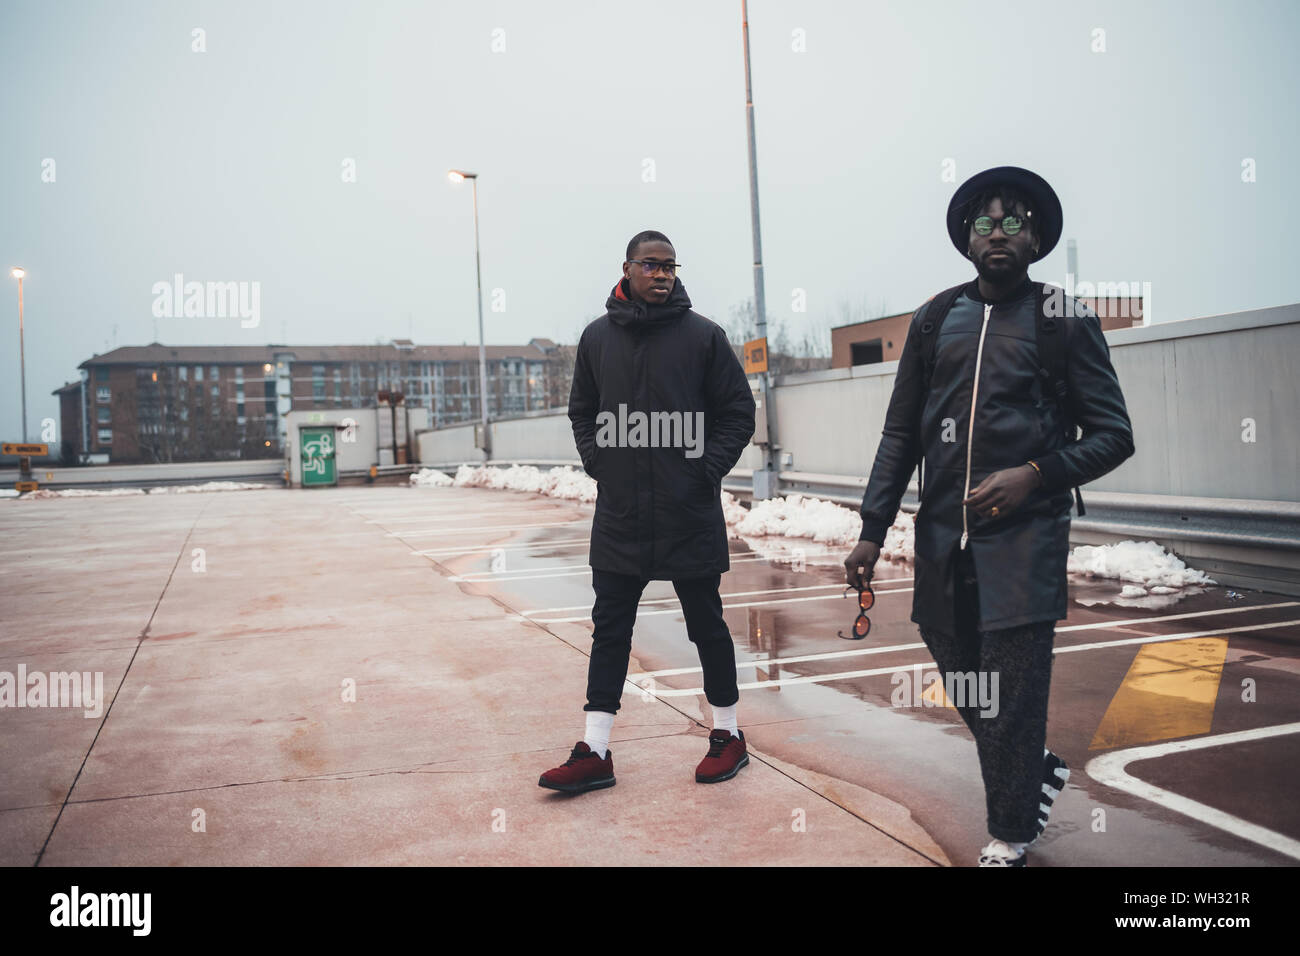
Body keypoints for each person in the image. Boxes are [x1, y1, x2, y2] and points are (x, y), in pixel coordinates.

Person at [843, 167, 1135, 866]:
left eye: (1012, 222)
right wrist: (871, 528)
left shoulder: (1062, 316)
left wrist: (1034, 474)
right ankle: (1028, 768)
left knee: (1011, 693)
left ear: (1035, 238)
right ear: (966, 238)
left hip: (1025, 544)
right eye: (985, 223)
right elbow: (900, 435)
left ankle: (1010, 832)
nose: (998, 233)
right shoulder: (935, 317)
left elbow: (1113, 435)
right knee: (969, 682)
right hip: (943, 540)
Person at [539, 230, 757, 794]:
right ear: (627, 269)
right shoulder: (596, 339)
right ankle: (595, 750)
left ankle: (728, 736)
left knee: (706, 624)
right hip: (622, 514)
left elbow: (738, 412)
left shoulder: (704, 337)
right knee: (610, 629)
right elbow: (581, 412)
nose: (662, 275)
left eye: (670, 266)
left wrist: (704, 472)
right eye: (651, 265)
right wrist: (599, 465)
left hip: (688, 511)